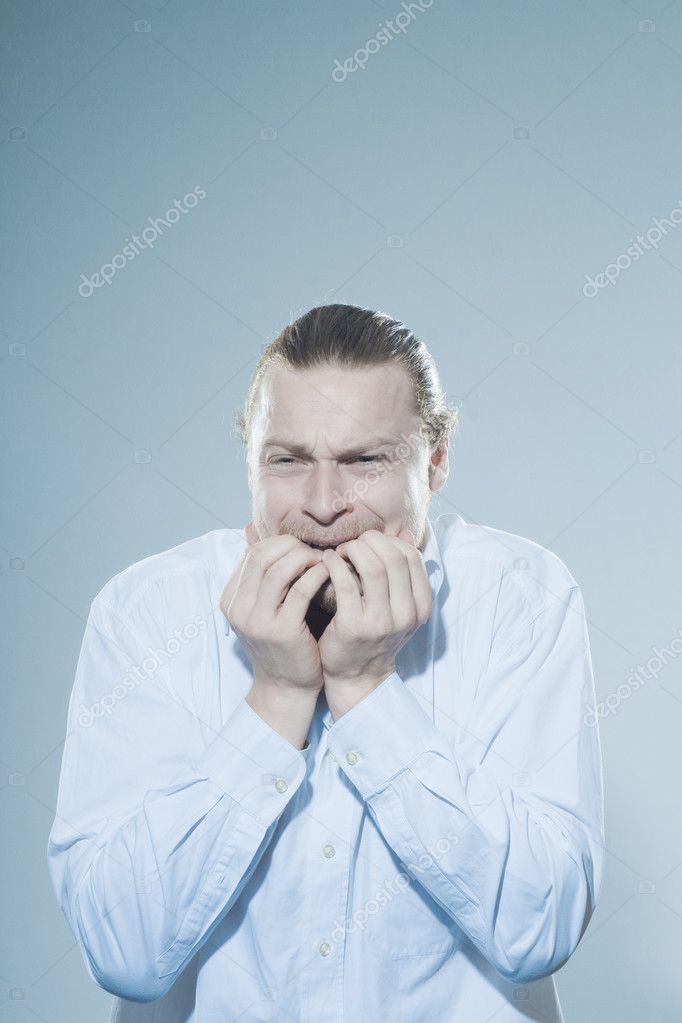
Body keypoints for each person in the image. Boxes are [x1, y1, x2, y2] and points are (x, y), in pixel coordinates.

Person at [47, 303, 604, 1022]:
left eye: (363, 460)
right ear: (250, 458)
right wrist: (277, 697)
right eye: (288, 460)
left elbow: (539, 928)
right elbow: (122, 953)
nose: (320, 505)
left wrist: (368, 689)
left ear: (434, 463)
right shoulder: (143, 612)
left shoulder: (524, 599)